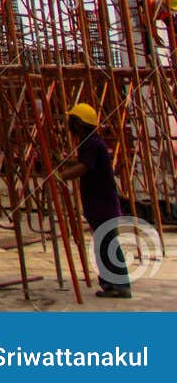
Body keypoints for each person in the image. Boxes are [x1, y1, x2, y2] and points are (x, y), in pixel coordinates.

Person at [58, 103, 131, 299]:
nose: (68, 125)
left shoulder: (91, 143)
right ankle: (109, 282)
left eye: (71, 121)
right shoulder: (90, 142)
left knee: (108, 244)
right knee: (103, 243)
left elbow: (84, 167)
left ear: (79, 123)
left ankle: (121, 285)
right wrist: (66, 162)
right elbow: (83, 162)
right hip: (99, 204)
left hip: (102, 205)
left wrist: (63, 176)